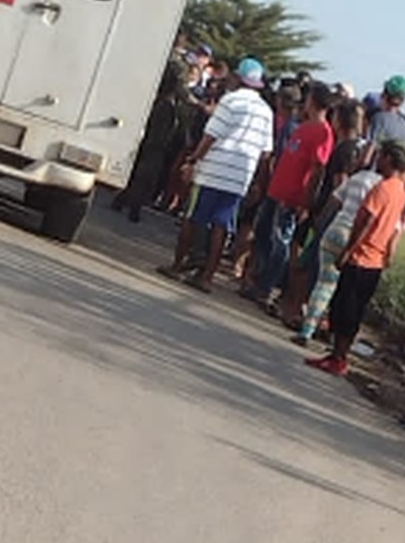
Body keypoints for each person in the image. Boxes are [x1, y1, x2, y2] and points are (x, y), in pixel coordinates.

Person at [158, 57, 275, 293]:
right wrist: (258, 183)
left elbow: (210, 136)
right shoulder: (266, 111)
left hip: (213, 171)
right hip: (239, 177)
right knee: (221, 226)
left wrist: (193, 161)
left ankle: (178, 264)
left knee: (192, 217)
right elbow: (266, 153)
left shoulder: (229, 101)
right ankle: (207, 277)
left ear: (238, 78)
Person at [305, 138, 405, 377]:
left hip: (361, 256)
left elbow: (366, 222)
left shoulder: (382, 188)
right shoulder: (400, 191)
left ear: (389, 159)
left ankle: (339, 357)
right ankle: (337, 355)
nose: (378, 160)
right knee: (353, 310)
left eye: (381, 156)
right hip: (375, 260)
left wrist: (348, 250)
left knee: (344, 308)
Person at [246, 82, 334, 311]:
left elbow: (317, 170)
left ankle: (266, 287)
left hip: (292, 197)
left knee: (280, 243)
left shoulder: (323, 132)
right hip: (276, 190)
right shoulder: (303, 126)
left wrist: (306, 201)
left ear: (314, 101)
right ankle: (257, 278)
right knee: (263, 234)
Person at [294, 155, 383, 344]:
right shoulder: (383, 187)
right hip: (355, 237)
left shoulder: (358, 177)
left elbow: (334, 200)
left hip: (335, 229)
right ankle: (331, 331)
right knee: (343, 290)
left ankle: (307, 330)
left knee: (323, 283)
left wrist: (320, 223)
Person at [114, 64, 188, 222]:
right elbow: (159, 129)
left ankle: (124, 200)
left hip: (156, 145)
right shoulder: (166, 104)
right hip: (155, 146)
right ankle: (133, 206)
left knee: (143, 176)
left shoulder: (169, 103)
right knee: (145, 177)